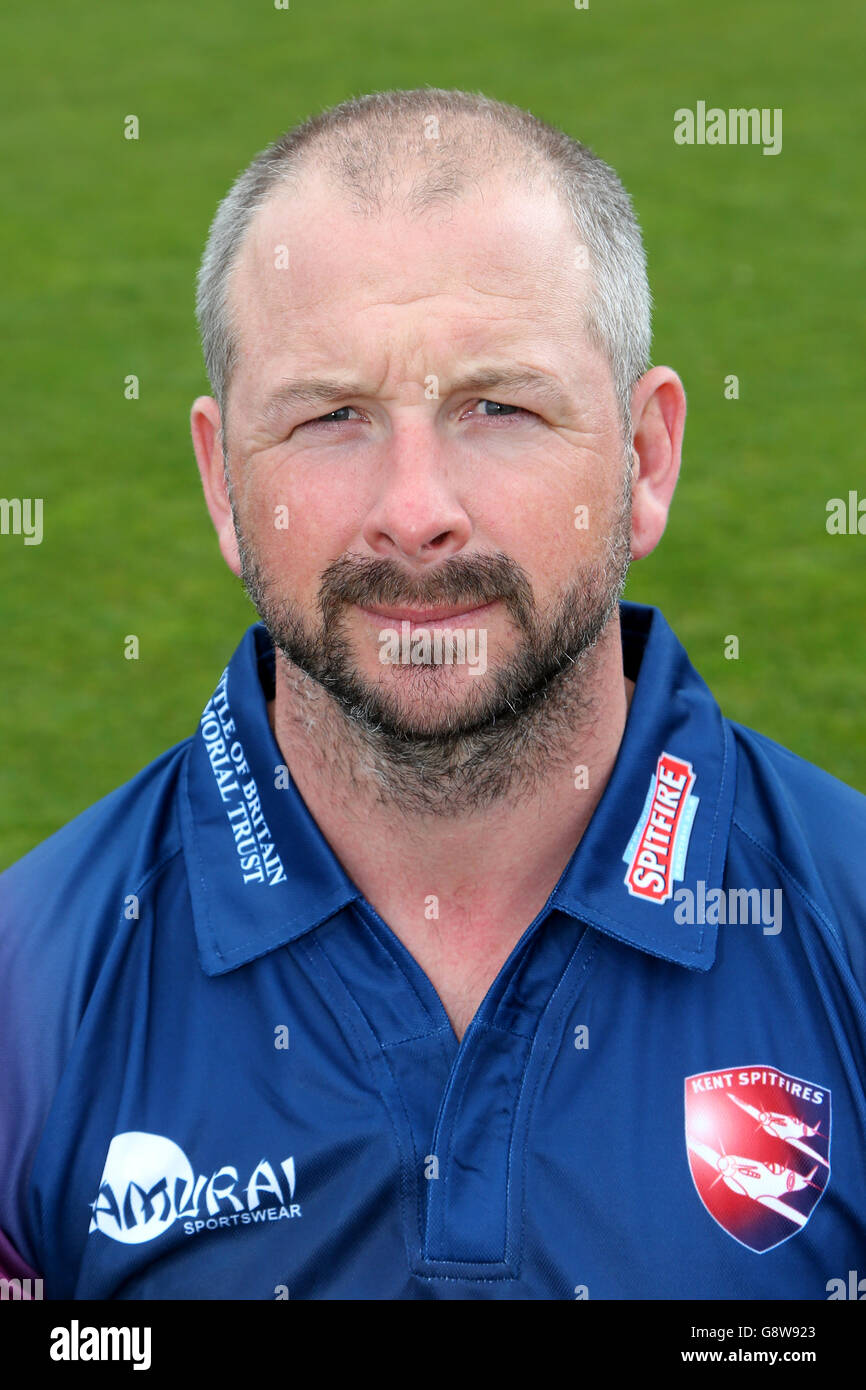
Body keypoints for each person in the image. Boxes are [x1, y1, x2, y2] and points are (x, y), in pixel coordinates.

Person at [1, 88, 863, 1301]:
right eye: (330, 416)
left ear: (643, 458)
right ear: (219, 481)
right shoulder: (27, 998)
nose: (415, 510)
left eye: (497, 408)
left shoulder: (846, 927)